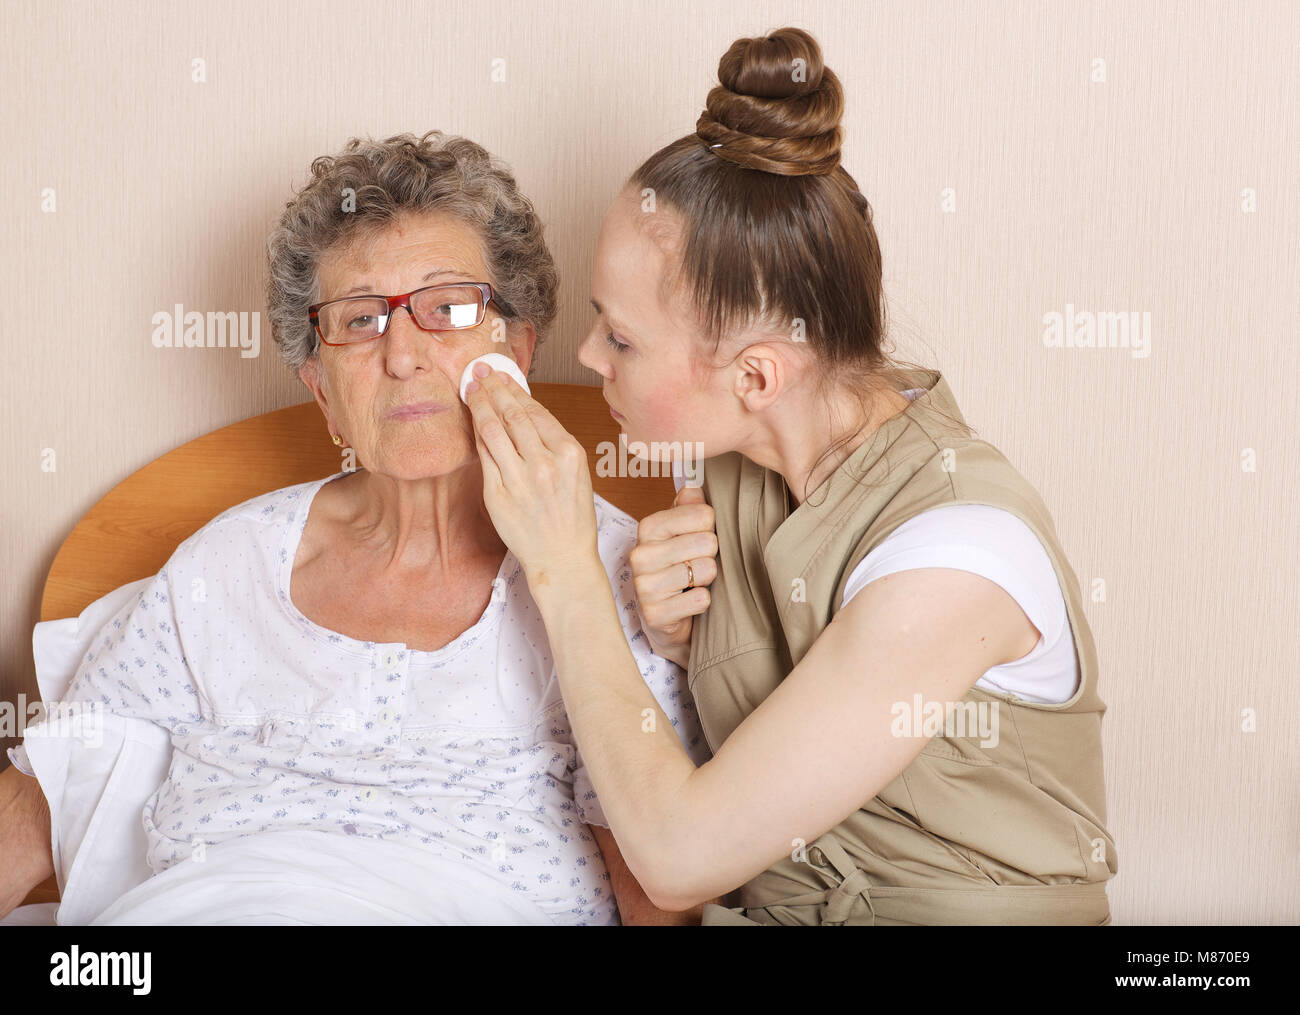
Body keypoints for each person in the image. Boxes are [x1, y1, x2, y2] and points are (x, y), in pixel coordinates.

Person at [463, 26, 1118, 925]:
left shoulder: (960, 555)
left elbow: (679, 859)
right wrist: (684, 641)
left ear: (758, 375)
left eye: (620, 337)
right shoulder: (733, 470)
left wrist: (564, 567)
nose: (587, 357)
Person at [0, 131, 711, 926]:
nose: (403, 354)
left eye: (447, 308)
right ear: (322, 389)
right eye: (362, 320)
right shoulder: (221, 569)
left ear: (516, 347)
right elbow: (32, 813)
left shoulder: (623, 578)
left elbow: (662, 895)